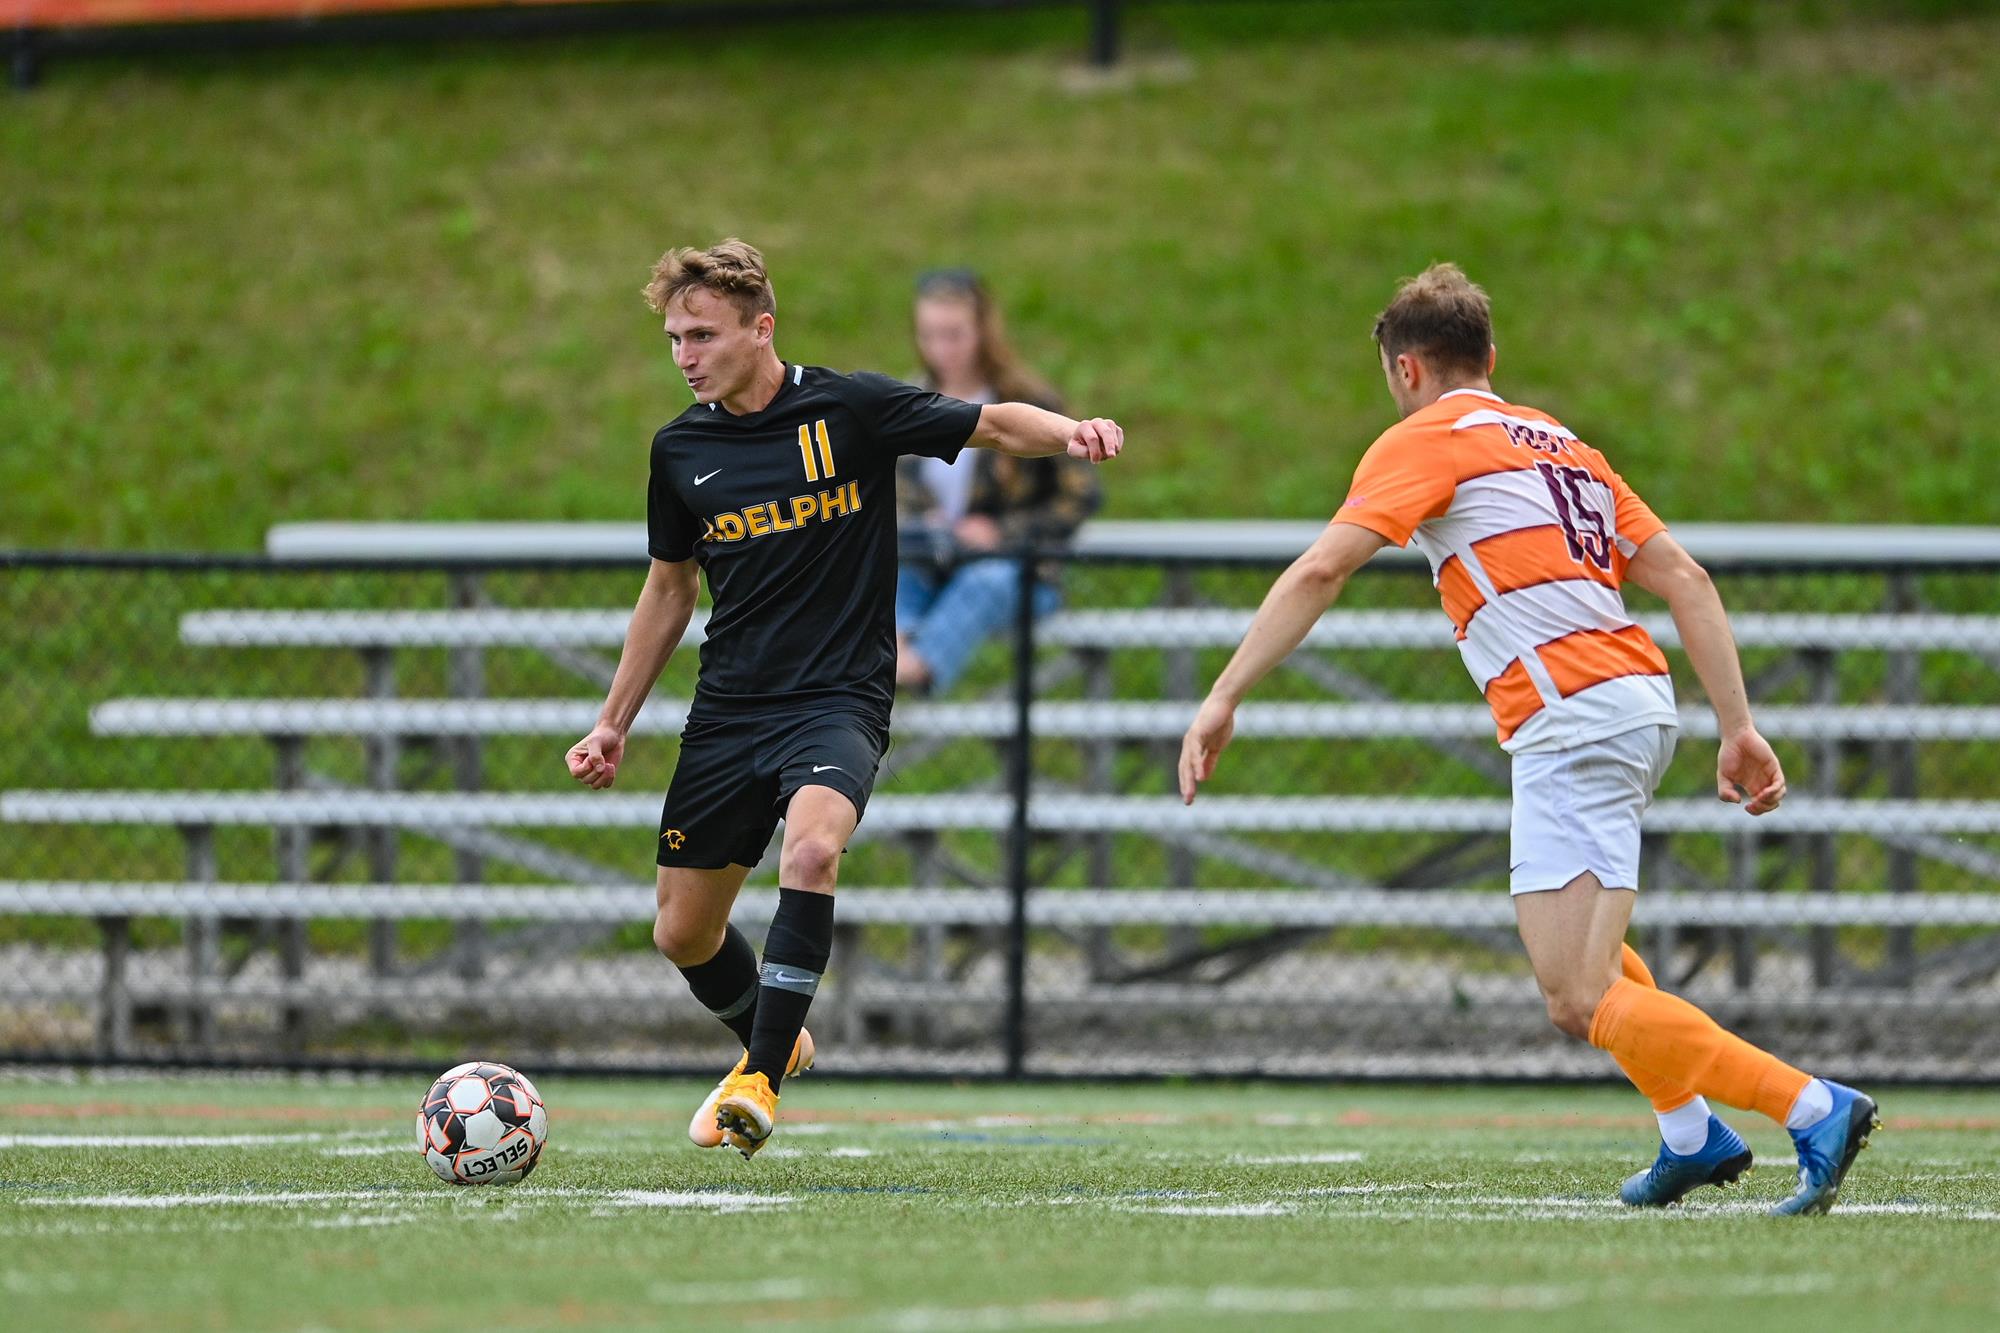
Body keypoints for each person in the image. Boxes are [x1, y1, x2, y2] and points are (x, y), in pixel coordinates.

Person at [1177, 263, 1879, 1216]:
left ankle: (1812, 1105)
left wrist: (1223, 694)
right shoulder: (1566, 446)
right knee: (1594, 958)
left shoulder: (1425, 437)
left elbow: (1320, 571)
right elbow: (1687, 579)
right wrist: (1739, 725)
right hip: (1629, 704)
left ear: (1406, 368)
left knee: (1577, 994)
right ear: (1492, 358)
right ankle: (1690, 1134)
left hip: (1575, 720)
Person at [565, 240, 1123, 1158]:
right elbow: (669, 589)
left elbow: (991, 424)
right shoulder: (681, 449)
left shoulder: (849, 408)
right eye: (674, 339)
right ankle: (778, 1030)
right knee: (682, 930)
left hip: (838, 697)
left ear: (761, 328)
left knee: (814, 847)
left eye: (703, 336)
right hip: (731, 707)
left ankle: (760, 1074)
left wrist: (1070, 432)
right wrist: (611, 721)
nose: (685, 356)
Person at [895, 269, 1099, 694]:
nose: (941, 349)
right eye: (929, 335)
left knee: (986, 581)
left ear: (983, 331)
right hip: (930, 562)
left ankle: (914, 670)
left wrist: (1000, 532)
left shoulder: (1027, 403)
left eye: (954, 335)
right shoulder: (909, 402)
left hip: (1017, 570)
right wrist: (923, 523)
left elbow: (1080, 495)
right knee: (886, 572)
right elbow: (892, 493)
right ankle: (891, 654)